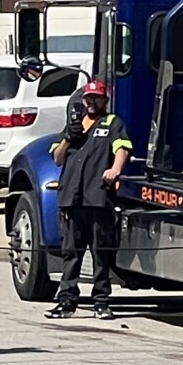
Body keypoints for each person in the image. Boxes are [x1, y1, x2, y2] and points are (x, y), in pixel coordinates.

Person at [48, 83, 133, 320]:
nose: (91, 102)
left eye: (96, 98)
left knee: (100, 252)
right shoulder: (74, 125)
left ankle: (102, 302)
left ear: (105, 100)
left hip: (97, 197)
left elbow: (122, 148)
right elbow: (57, 159)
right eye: (88, 98)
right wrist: (67, 138)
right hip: (71, 199)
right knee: (71, 253)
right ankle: (66, 302)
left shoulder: (113, 123)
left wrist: (115, 169)